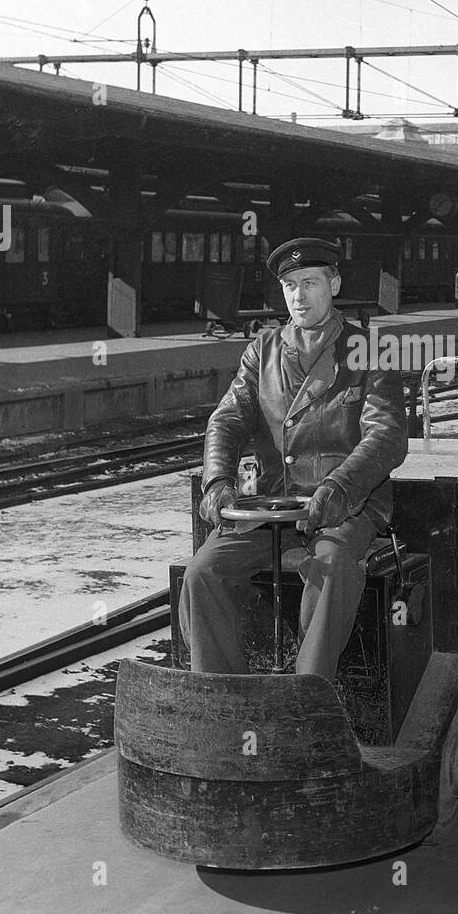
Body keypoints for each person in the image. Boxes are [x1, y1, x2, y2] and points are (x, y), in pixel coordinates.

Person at [178, 237, 408, 679]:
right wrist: (216, 481)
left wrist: (338, 487)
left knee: (331, 568)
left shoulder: (372, 351)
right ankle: (223, 694)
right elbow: (227, 419)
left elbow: (386, 436)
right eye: (289, 285)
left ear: (334, 283)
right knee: (202, 573)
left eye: (310, 282)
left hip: (345, 507)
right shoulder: (261, 351)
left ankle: (309, 694)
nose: (299, 296)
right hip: (273, 506)